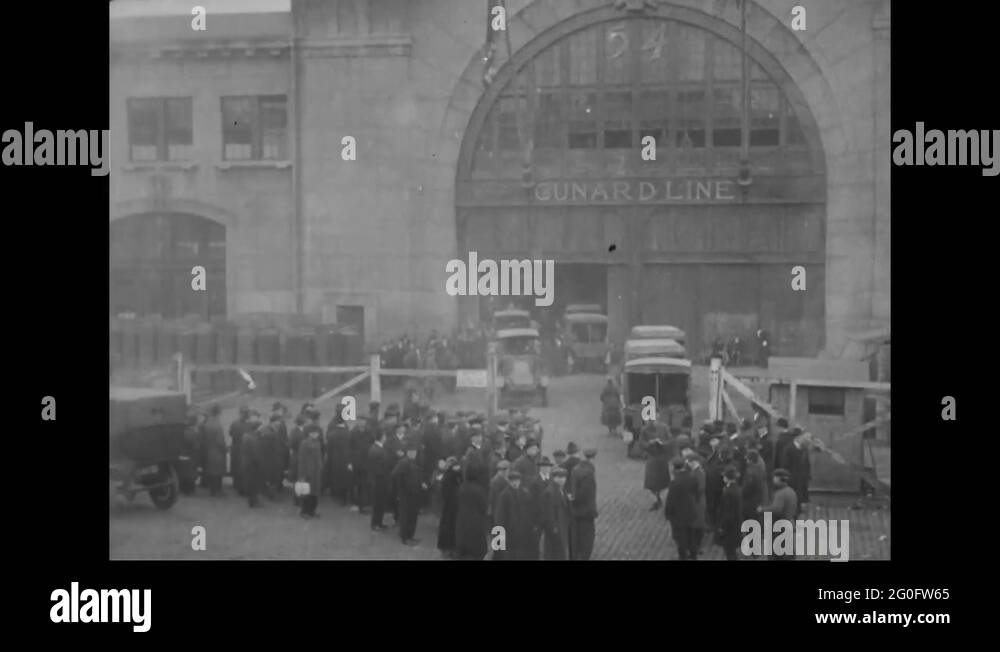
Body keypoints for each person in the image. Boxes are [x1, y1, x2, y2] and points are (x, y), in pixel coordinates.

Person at [759, 468, 798, 560]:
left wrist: (762, 509)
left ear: (779, 479)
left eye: (775, 478)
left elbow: (777, 509)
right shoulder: (791, 491)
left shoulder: (780, 494)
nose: (773, 480)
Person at [391, 442, 426, 545]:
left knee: (413, 515)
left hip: (415, 493)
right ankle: (405, 537)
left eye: (414, 452)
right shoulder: (403, 462)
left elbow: (417, 476)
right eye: (411, 452)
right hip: (406, 494)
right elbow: (394, 475)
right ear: (407, 452)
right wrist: (401, 487)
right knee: (406, 515)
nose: (413, 454)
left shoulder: (415, 462)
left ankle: (410, 535)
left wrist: (421, 483)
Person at [664, 458, 698, 560]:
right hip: (690, 511)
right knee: (691, 535)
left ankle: (683, 556)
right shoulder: (692, 478)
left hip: (678, 515)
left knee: (680, 538)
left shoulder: (675, 483)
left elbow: (670, 501)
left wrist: (667, 513)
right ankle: (693, 555)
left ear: (674, 468)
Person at [455, 464, 490, 560]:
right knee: (477, 552)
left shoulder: (461, 488)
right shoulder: (480, 490)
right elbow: (485, 507)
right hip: (476, 523)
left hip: (462, 522)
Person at [495, 470, 533, 560]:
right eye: (513, 481)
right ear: (509, 481)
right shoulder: (504, 495)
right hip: (509, 532)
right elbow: (500, 516)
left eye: (517, 481)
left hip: (522, 532)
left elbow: (528, 512)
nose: (515, 483)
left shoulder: (525, 493)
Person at [569, 448, 598, 560]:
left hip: (575, 510)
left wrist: (573, 499)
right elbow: (586, 493)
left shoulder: (575, 469)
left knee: (576, 535)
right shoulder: (589, 473)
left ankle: (575, 555)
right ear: (592, 459)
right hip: (587, 511)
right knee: (587, 537)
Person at [542, 467, 572, 560]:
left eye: (564, 477)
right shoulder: (550, 492)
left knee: (561, 551)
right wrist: (554, 527)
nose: (562, 480)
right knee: (554, 552)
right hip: (555, 527)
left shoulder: (561, 490)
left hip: (562, 525)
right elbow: (549, 512)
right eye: (559, 477)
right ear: (554, 478)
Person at [324, 412, 353, 507]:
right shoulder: (349, 433)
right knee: (345, 478)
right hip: (346, 459)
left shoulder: (332, 434)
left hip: (335, 460)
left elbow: (328, 448)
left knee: (336, 478)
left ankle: (337, 495)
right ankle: (345, 497)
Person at [436, 457, 462, 557]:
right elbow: (446, 493)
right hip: (450, 507)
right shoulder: (450, 477)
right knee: (448, 528)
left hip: (451, 507)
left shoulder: (452, 476)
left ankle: (448, 548)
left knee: (450, 528)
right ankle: (447, 549)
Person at [716, 466, 743, 560]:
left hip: (730, 527)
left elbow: (728, 512)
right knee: (732, 550)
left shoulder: (728, 492)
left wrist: (722, 527)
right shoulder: (736, 488)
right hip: (736, 524)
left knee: (729, 551)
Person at [297, 421, 323, 518]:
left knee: (315, 493)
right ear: (309, 433)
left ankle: (312, 510)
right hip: (307, 473)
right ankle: (304, 511)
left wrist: (320, 468)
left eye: (316, 432)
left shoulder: (317, 443)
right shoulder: (304, 443)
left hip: (316, 473)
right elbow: (301, 460)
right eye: (313, 432)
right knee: (306, 493)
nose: (315, 434)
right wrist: (302, 475)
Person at [781, 433, 812, 515]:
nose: (808, 441)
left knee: (798, 506)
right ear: (799, 437)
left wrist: (807, 476)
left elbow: (807, 464)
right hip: (792, 482)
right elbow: (785, 466)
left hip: (801, 482)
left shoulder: (804, 449)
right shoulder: (789, 449)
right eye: (806, 438)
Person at [368, 430, 392, 531]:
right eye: (384, 436)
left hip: (379, 480)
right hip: (379, 481)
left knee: (380, 503)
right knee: (378, 503)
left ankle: (378, 522)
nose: (385, 438)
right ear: (381, 437)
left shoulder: (376, 448)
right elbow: (379, 468)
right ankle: (375, 524)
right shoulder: (377, 450)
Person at [200, 404, 227, 497]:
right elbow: (220, 441)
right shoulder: (217, 425)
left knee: (211, 471)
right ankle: (218, 490)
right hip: (217, 451)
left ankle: (212, 490)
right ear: (218, 413)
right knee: (218, 472)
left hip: (208, 450)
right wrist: (224, 449)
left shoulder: (207, 423)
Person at [240, 413, 264, 508]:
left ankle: (252, 500)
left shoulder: (246, 436)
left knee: (249, 482)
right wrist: (259, 463)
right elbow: (255, 453)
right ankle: (253, 501)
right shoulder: (253, 438)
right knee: (253, 483)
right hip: (252, 464)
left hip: (246, 462)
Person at [229, 405, 252, 495]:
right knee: (244, 469)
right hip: (245, 450)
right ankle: (244, 487)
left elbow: (231, 433)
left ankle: (237, 486)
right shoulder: (250, 425)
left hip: (236, 449)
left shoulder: (234, 423)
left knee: (236, 468)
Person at [643, 437, 671, 511]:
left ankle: (657, 500)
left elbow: (645, 449)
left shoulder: (650, 454)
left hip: (653, 475)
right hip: (660, 475)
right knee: (659, 487)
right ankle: (658, 499)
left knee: (653, 488)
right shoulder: (663, 455)